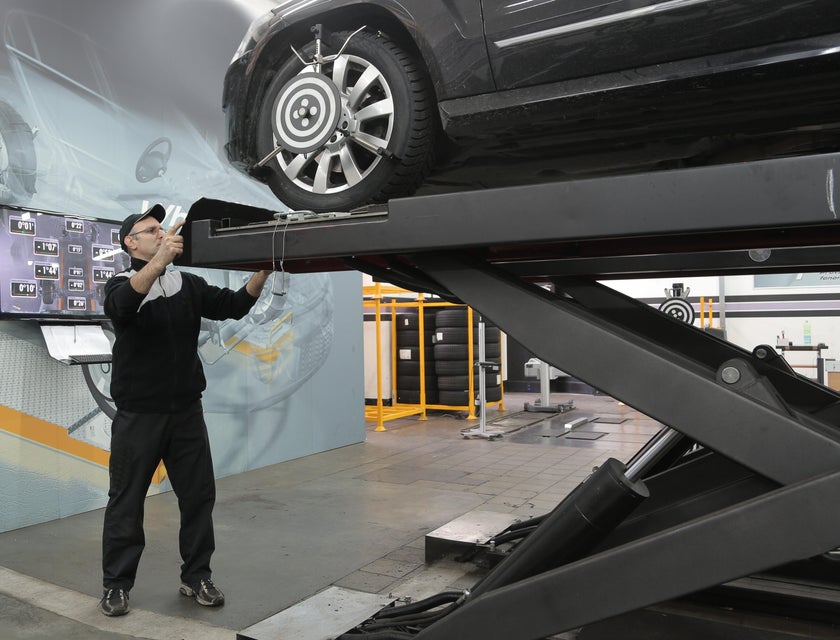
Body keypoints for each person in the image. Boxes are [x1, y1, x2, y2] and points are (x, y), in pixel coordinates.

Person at [99, 204, 271, 616]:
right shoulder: (121, 284)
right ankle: (116, 585)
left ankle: (197, 576)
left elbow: (233, 304)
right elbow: (124, 306)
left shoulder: (188, 284)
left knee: (198, 499)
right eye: (151, 230)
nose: (161, 233)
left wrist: (262, 272)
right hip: (139, 416)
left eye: (162, 228)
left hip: (186, 414)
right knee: (126, 501)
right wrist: (161, 259)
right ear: (131, 242)